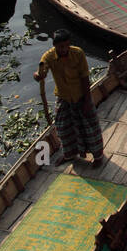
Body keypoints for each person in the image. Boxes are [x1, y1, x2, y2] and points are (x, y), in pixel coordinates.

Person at [36, 31, 104, 168]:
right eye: (61, 47)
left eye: (66, 45)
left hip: (81, 95)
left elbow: (85, 77)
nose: (64, 49)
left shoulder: (78, 53)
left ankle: (98, 157)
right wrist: (38, 76)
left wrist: (86, 101)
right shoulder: (48, 57)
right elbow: (42, 72)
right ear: (55, 46)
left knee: (90, 128)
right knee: (63, 128)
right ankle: (69, 154)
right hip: (64, 97)